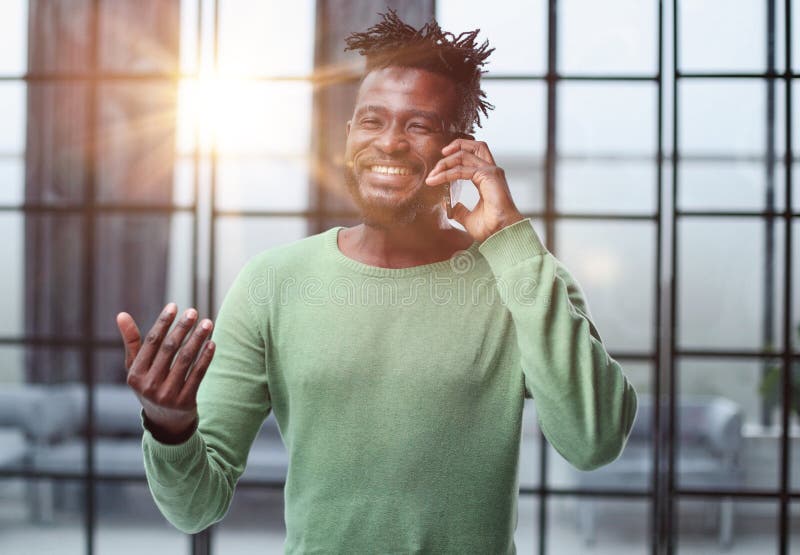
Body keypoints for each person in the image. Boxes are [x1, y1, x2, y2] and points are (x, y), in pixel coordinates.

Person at [115, 9, 638, 554]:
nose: (388, 143)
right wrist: (170, 424)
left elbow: (594, 441)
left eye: (419, 125)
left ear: (459, 148)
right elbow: (195, 507)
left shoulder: (522, 277)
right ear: (348, 135)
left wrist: (508, 236)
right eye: (372, 120)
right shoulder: (273, 280)